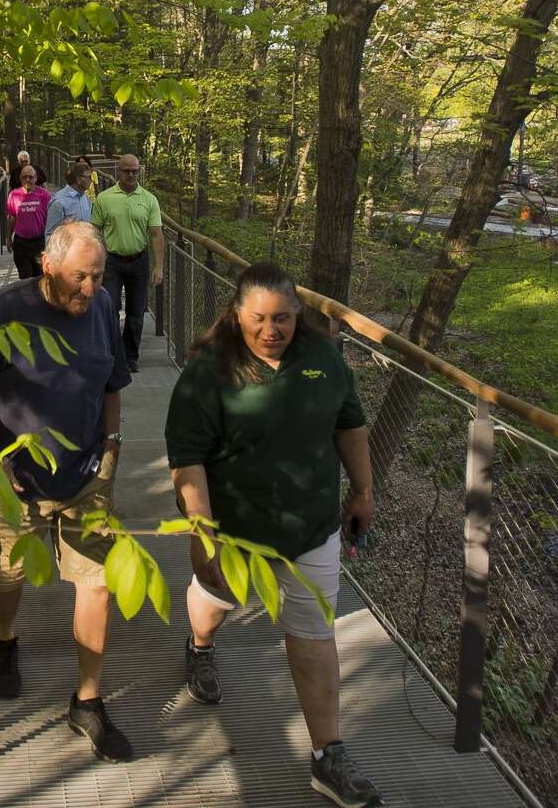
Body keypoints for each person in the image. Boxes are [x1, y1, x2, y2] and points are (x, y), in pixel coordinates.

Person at [164, 262, 383, 808]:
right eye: (259, 318)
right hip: (234, 530)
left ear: (298, 314)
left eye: (282, 318)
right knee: (215, 604)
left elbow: (349, 425)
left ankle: (327, 754)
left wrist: (363, 491)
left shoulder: (323, 359)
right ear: (237, 315)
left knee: (312, 632)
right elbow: (187, 459)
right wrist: (202, 530)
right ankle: (200, 646)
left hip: (310, 528)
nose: (271, 329)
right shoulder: (209, 371)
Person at [0, 221, 135, 763]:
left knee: (96, 585)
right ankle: (5, 638)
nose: (90, 288)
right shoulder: (4, 313)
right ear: (48, 266)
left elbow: (112, 383)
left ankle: (88, 701)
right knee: (8, 574)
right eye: (80, 276)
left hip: (87, 477)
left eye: (98, 277)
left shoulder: (100, 307)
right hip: (17, 481)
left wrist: (113, 447)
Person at [91, 154, 163, 373]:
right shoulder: (104, 198)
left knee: (136, 313)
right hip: (112, 261)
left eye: (134, 170)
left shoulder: (149, 199)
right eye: (126, 171)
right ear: (118, 171)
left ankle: (130, 357)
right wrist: (95, 262)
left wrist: (159, 266)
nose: (131, 174)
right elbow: (94, 231)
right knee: (109, 308)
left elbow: (156, 234)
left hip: (139, 261)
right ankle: (112, 354)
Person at [5, 164, 50, 279]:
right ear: (20, 179)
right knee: (25, 277)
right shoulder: (13, 195)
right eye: (24, 177)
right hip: (21, 243)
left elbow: (50, 219)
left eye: (30, 177)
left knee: (40, 276)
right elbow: (11, 218)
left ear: (36, 178)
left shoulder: (44, 195)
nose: (27, 180)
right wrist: (8, 238)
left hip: (39, 242)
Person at [44, 157, 94, 239]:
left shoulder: (85, 197)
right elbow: (50, 235)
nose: (91, 180)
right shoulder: (59, 202)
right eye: (88, 177)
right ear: (78, 179)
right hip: (67, 250)